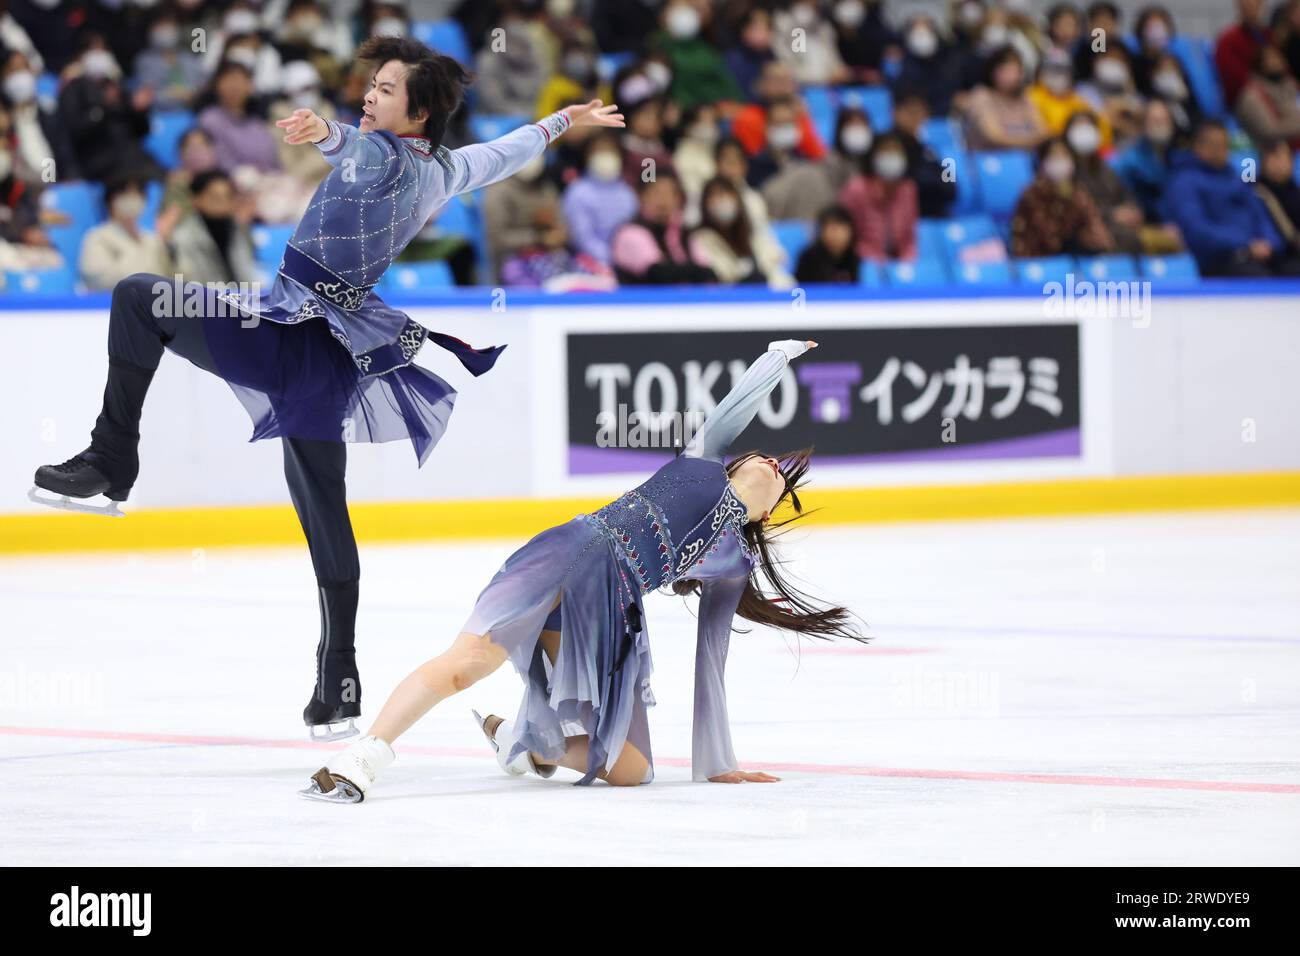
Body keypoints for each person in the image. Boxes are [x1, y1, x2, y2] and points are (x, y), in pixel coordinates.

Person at [30, 35, 624, 742]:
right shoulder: (447, 170)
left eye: (386, 89)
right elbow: (510, 150)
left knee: (138, 298)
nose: (370, 94)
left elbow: (358, 149)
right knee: (324, 513)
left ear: (420, 112)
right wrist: (562, 123)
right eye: (369, 84)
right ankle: (338, 683)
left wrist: (327, 131)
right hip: (330, 356)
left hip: (288, 334)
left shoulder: (386, 153)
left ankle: (111, 459)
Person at [301, 339, 867, 801]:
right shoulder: (703, 458)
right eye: (769, 458)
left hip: (609, 614)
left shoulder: (732, 563)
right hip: (572, 549)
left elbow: (710, 663)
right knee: (468, 663)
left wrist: (720, 764)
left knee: (632, 771)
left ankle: (526, 744)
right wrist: (776, 359)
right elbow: (734, 408)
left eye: (784, 479)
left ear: (767, 513)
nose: (774, 464)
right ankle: (363, 757)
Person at [1167, 119, 1300, 277]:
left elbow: (1261, 215)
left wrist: (1270, 243)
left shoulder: (1236, 179)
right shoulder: (1184, 182)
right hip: (1220, 260)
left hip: (1259, 255)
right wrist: (1245, 244)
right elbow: (1196, 229)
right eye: (1214, 145)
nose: (1221, 150)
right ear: (1198, 146)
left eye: (1224, 145)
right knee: (1258, 278)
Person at [1009, 136, 1114, 257]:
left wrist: (1091, 242)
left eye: (1064, 155)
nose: (1060, 160)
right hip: (1042, 260)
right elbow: (1047, 239)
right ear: (1043, 161)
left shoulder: (1079, 193)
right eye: (1054, 156)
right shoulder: (1032, 195)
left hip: (1077, 258)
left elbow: (1095, 227)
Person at [795, 204, 861, 284]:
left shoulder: (854, 259)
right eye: (830, 228)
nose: (835, 235)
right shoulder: (808, 258)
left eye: (839, 228)